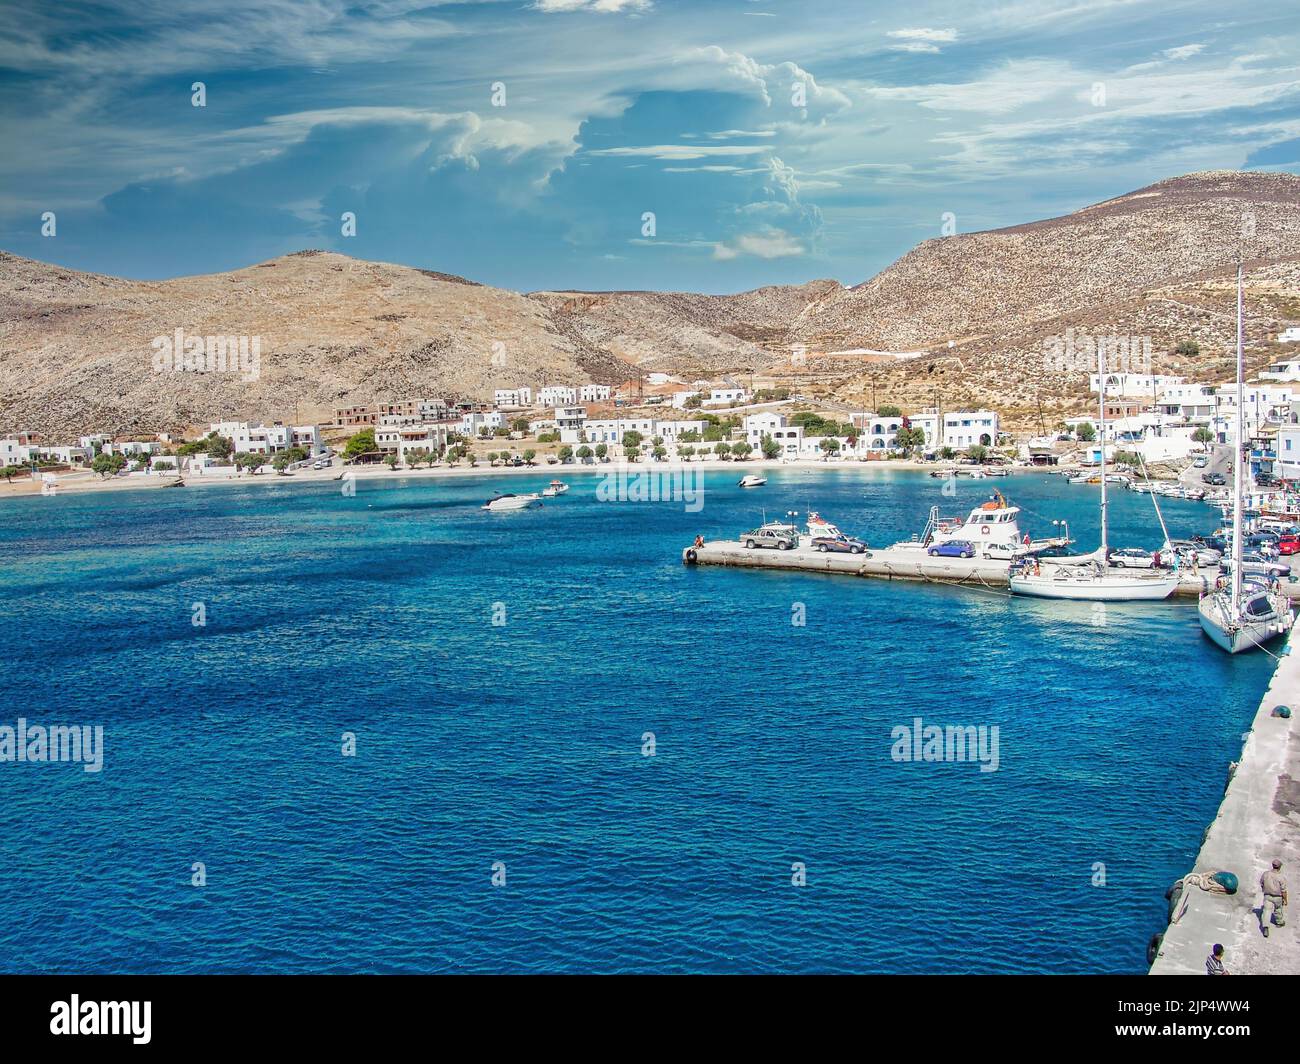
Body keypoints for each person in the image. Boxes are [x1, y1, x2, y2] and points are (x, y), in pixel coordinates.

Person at [1260, 859, 1288, 937]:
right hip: (1278, 897)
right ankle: (1279, 922)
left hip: (1267, 896)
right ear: (1279, 867)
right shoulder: (1281, 877)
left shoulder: (1266, 874)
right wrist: (1285, 900)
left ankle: (1265, 927)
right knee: (1278, 909)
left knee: (1266, 911)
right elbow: (1284, 891)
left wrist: (1264, 889)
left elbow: (1261, 883)